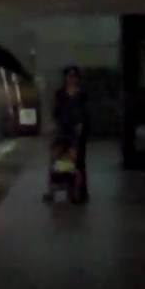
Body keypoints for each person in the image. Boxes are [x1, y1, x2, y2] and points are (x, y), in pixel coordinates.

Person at [52, 65, 90, 202]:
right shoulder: (60, 94)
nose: (72, 79)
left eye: (74, 76)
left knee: (79, 161)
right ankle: (69, 189)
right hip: (64, 130)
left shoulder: (82, 94)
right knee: (64, 160)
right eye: (69, 76)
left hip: (78, 131)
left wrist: (82, 124)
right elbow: (56, 112)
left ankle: (80, 192)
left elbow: (86, 112)